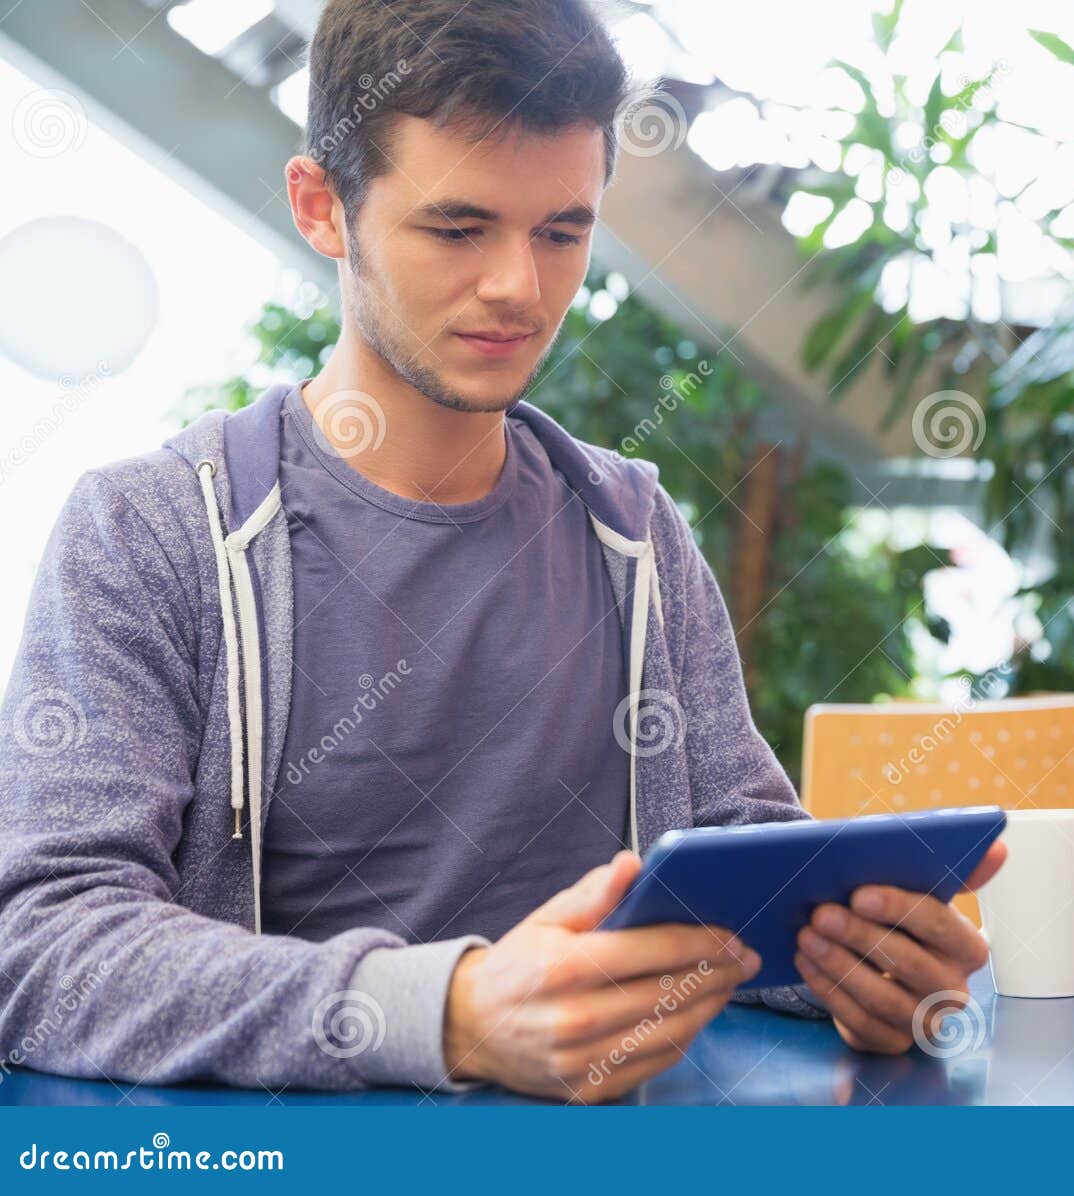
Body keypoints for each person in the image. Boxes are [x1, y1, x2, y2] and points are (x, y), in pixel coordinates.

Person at [0, 0, 1003, 1104]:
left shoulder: (634, 528)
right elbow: (42, 944)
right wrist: (452, 1013)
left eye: (562, 231)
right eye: (458, 228)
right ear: (321, 207)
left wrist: (853, 962)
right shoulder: (149, 533)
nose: (519, 288)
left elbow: (739, 864)